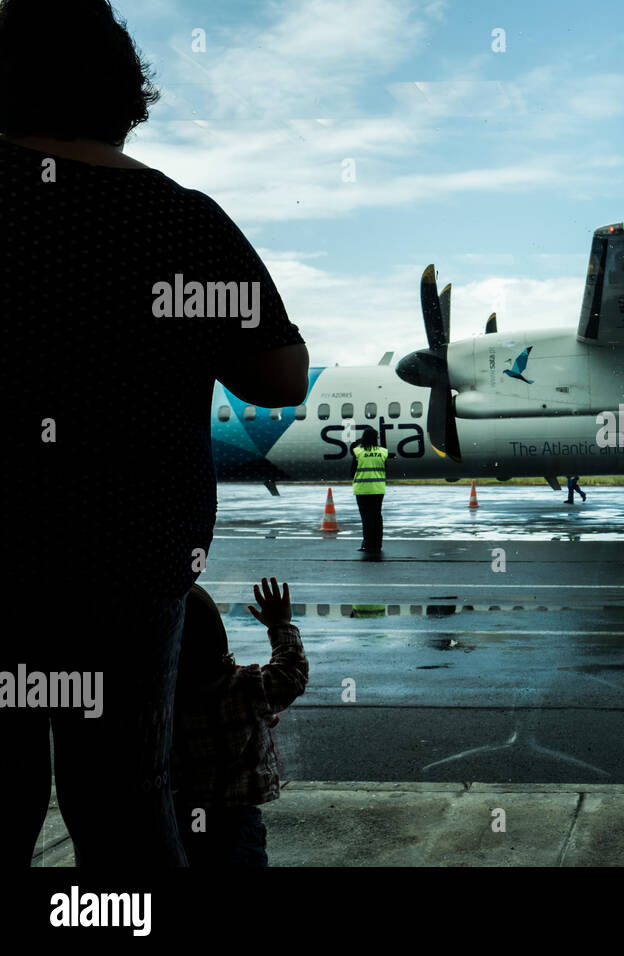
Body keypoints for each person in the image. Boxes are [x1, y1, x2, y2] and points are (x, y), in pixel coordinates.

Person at [2, 0, 308, 866]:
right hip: (130, 556)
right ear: (122, 89)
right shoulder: (179, 218)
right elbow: (280, 377)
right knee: (124, 796)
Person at [170, 579, 307, 866]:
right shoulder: (243, 686)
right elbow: (290, 675)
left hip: (177, 813)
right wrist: (280, 626)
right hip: (236, 818)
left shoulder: (160, 698)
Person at [350, 425, 389, 552]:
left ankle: (367, 543)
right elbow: (386, 470)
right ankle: (378, 544)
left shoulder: (358, 452)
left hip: (362, 489)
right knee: (377, 517)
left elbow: (352, 471)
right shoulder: (383, 452)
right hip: (378, 489)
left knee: (366, 518)